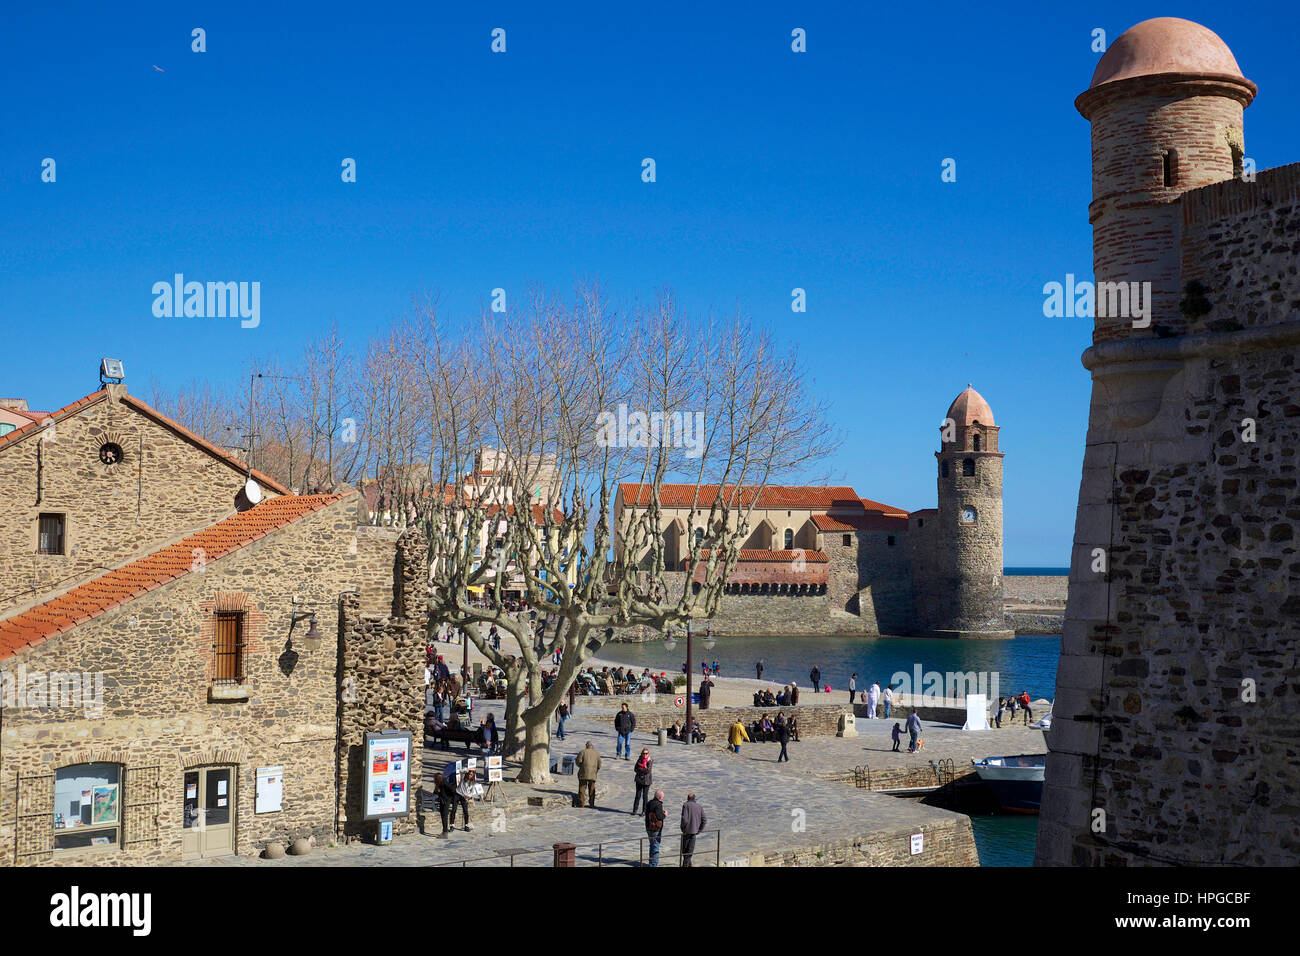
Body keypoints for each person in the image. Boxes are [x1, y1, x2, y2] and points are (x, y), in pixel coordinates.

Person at [680, 793, 707, 867]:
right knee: (689, 851)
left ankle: (685, 865)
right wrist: (699, 830)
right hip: (694, 832)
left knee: (685, 851)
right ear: (694, 799)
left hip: (686, 832)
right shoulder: (699, 806)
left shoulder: (685, 805)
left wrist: (682, 828)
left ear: (687, 798)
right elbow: (704, 820)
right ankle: (689, 865)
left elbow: (684, 820)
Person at [645, 788, 667, 866]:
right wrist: (664, 814)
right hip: (655, 829)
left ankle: (651, 863)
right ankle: (654, 865)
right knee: (655, 847)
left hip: (648, 827)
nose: (663, 798)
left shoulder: (649, 803)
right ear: (660, 797)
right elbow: (659, 817)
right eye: (662, 797)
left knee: (652, 845)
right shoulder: (658, 804)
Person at [576, 741, 601, 808]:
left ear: (586, 746)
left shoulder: (582, 752)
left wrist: (581, 767)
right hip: (593, 773)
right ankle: (592, 803)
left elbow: (578, 761)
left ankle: (581, 803)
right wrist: (595, 771)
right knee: (592, 788)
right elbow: (599, 765)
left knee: (582, 788)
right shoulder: (597, 754)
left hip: (583, 773)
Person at [433, 771, 457, 837]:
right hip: (442, 800)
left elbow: (452, 790)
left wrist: (448, 797)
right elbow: (435, 792)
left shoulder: (444, 782)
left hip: (446, 801)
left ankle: (445, 832)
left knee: (445, 816)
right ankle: (444, 831)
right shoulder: (439, 783)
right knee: (443, 816)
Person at [632, 748, 653, 815]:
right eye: (644, 753)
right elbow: (635, 769)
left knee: (645, 796)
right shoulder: (639, 759)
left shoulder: (650, 761)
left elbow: (648, 771)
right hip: (639, 780)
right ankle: (635, 810)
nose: (645, 755)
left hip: (646, 781)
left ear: (648, 754)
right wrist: (643, 769)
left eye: (646, 753)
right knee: (637, 795)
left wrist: (640, 769)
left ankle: (644, 811)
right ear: (641, 754)